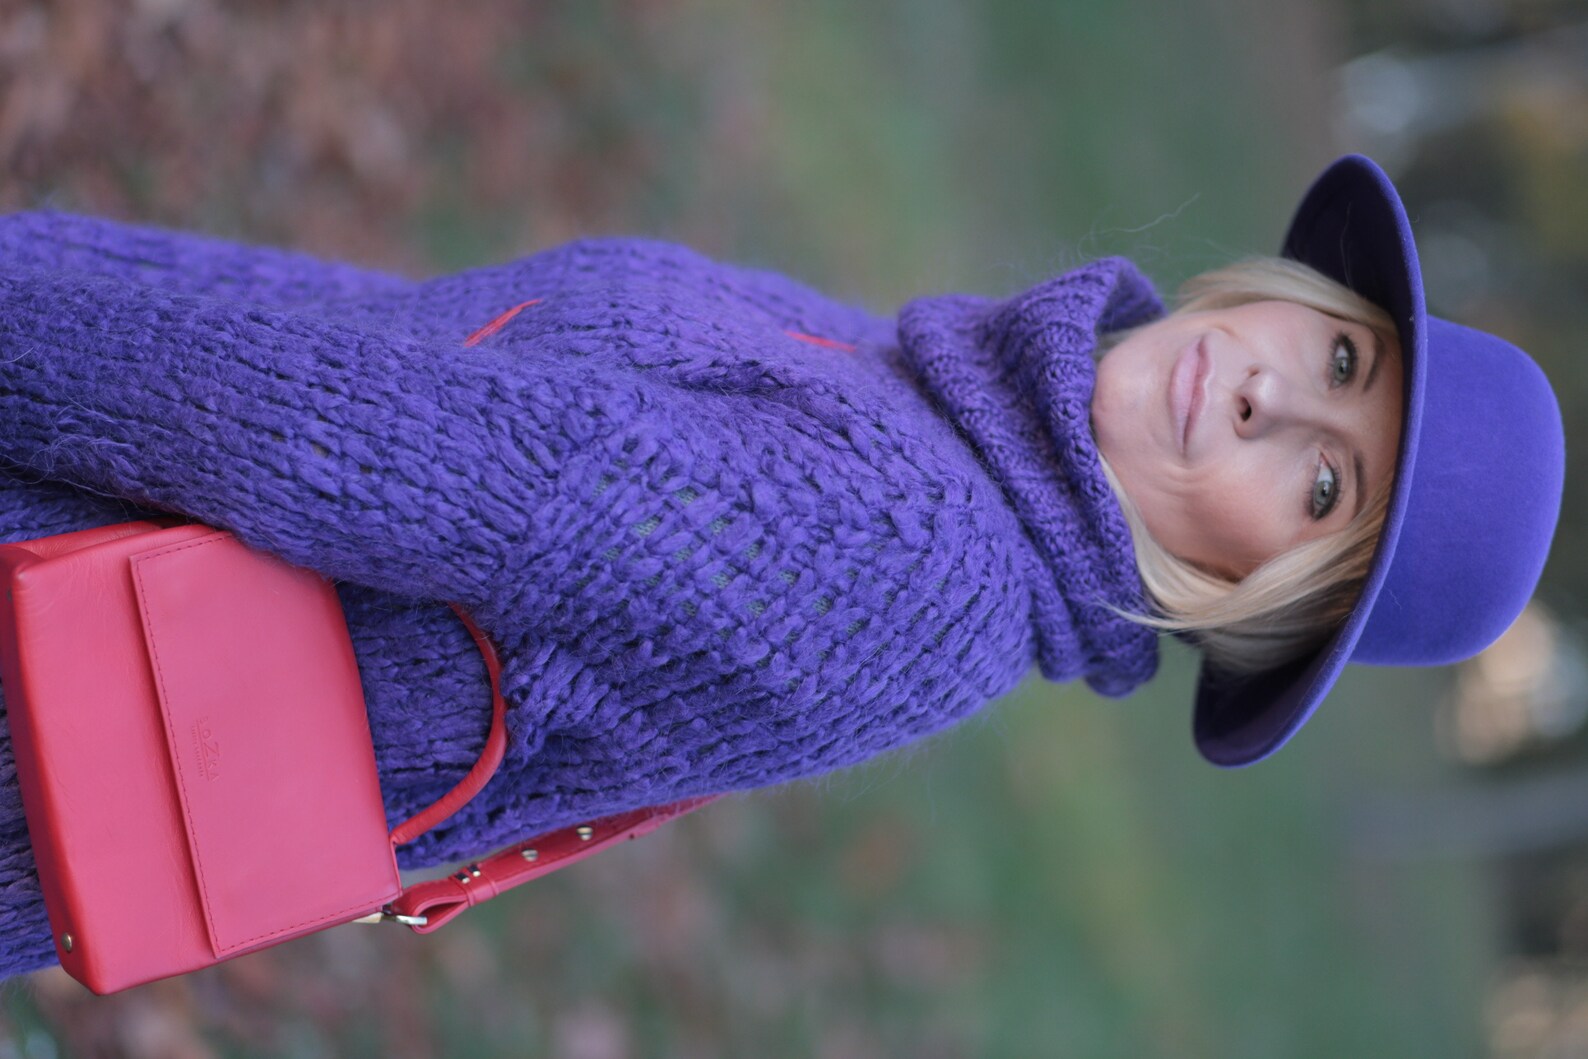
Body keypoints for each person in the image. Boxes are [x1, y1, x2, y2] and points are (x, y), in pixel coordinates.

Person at [0, 154, 1562, 981]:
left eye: (1323, 486)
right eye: (1343, 357)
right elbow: (373, 335)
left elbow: (346, 441)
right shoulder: (937, 402)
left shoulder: (913, 554)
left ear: (1265, 603)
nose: (1274, 397)